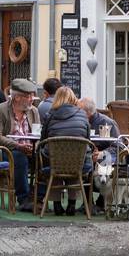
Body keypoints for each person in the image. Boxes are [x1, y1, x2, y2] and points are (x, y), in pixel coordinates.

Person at [0, 78, 41, 211]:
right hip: (8, 151)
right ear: (17, 97)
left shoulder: (33, 111)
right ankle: (23, 199)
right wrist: (17, 146)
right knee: (19, 158)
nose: (32, 99)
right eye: (28, 96)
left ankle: (39, 198)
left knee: (46, 157)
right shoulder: (0, 110)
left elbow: (38, 133)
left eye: (32, 96)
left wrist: (36, 146)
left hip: (31, 149)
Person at [39, 85, 91, 215]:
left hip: (55, 161)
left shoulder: (50, 115)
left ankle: (56, 204)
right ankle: (72, 204)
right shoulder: (82, 115)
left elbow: (43, 138)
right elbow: (87, 137)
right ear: (73, 98)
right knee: (75, 162)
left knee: (53, 161)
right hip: (78, 162)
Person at [80, 97, 119, 212]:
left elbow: (119, 146)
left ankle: (101, 202)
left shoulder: (107, 122)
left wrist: (102, 153)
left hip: (105, 157)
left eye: (79, 109)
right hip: (87, 155)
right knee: (83, 162)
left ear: (86, 112)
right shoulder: (80, 121)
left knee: (103, 160)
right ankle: (87, 203)